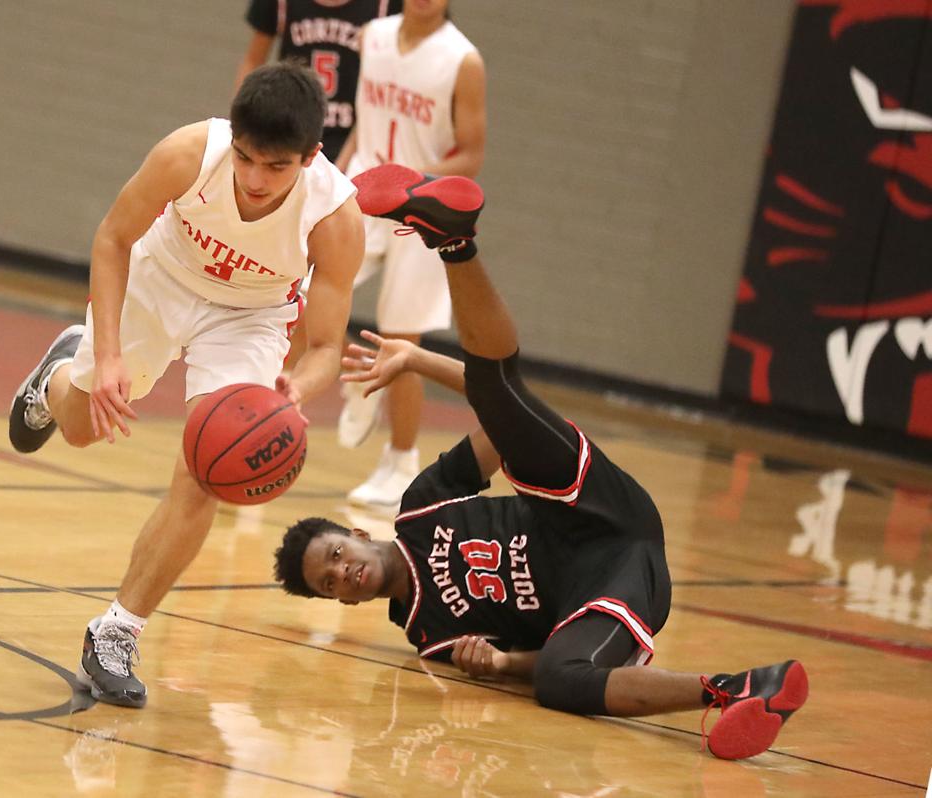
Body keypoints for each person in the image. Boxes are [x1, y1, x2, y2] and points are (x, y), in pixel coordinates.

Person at [273, 164, 809, 760]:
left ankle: (451, 238)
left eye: (337, 554)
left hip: (591, 509)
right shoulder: (432, 638)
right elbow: (533, 660)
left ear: (354, 531)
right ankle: (736, 692)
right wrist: (501, 663)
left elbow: (501, 419)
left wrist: (419, 362)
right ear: (342, 604)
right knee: (558, 680)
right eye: (330, 582)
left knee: (505, 405)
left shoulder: (421, 504)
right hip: (609, 589)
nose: (342, 571)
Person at [8, 62, 364, 708]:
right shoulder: (187, 155)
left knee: (207, 470)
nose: (255, 181)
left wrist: (294, 391)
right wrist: (109, 356)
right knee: (84, 427)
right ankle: (57, 378)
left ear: (311, 157)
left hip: (251, 317)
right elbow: (113, 240)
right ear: (233, 137)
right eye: (247, 159)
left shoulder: (335, 222)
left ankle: (115, 631)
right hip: (160, 278)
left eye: (275, 167)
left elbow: (328, 349)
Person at [334, 0, 487, 511]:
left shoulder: (463, 60)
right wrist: (333, 175)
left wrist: (418, 190)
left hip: (418, 207)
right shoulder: (372, 34)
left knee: (403, 341)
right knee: (304, 294)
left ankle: (400, 462)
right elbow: (363, 120)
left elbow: (471, 150)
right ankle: (355, 383)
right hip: (360, 191)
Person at [234, 0, 402, 165]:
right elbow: (253, 60)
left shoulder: (386, 6)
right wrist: (239, 123)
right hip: (291, 131)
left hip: (353, 137)